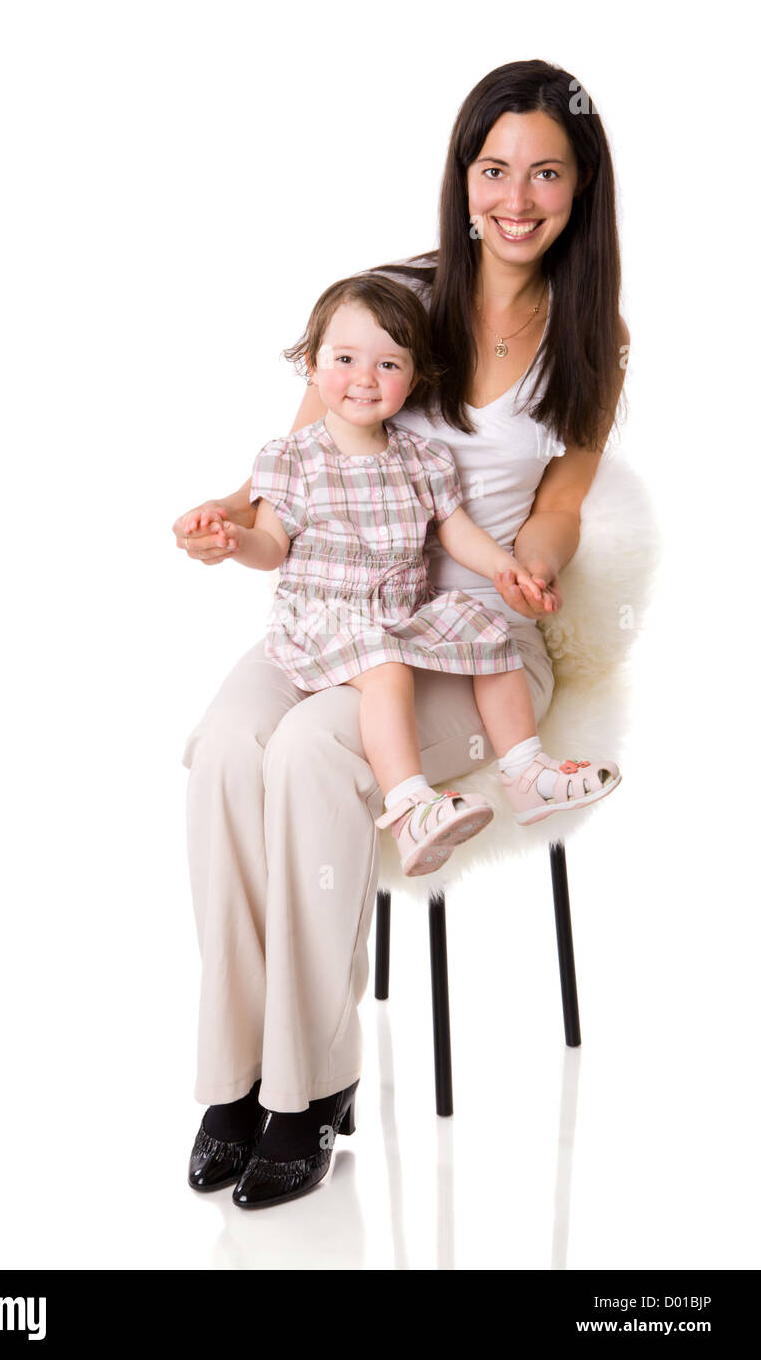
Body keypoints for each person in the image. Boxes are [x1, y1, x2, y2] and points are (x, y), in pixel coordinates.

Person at [173, 58, 629, 1210]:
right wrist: (233, 519)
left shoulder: (590, 336)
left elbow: (564, 500)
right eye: (491, 169)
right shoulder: (390, 297)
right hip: (339, 607)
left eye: (544, 173)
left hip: (470, 634)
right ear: (460, 175)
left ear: (582, 188)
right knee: (228, 742)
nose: (513, 198)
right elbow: (299, 461)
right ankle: (236, 1074)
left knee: (315, 749)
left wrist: (536, 561)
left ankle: (312, 1086)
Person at [225, 273, 619, 882]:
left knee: (487, 634)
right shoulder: (291, 458)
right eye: (346, 359)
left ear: (413, 380)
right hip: (327, 620)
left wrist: (508, 567)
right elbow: (271, 545)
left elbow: (456, 531)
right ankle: (409, 803)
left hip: (401, 612)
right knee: (386, 670)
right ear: (311, 363)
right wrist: (236, 540)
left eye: (387, 365)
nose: (364, 378)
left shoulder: (422, 457)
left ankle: (527, 771)